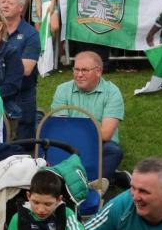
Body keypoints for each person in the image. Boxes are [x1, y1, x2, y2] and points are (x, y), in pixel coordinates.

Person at [50, 51, 126, 183]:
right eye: (76, 69)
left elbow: (105, 135)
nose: (79, 75)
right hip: (69, 142)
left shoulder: (112, 92)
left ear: (98, 71)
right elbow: (60, 129)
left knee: (113, 151)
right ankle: (104, 178)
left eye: (85, 70)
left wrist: (74, 130)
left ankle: (78, 183)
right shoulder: (62, 89)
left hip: (99, 144)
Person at [0, 0, 41, 140]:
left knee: (22, 144)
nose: (5, 5)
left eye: (10, 3)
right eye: (3, 2)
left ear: (20, 8)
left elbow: (26, 69)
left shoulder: (31, 34)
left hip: (22, 98)